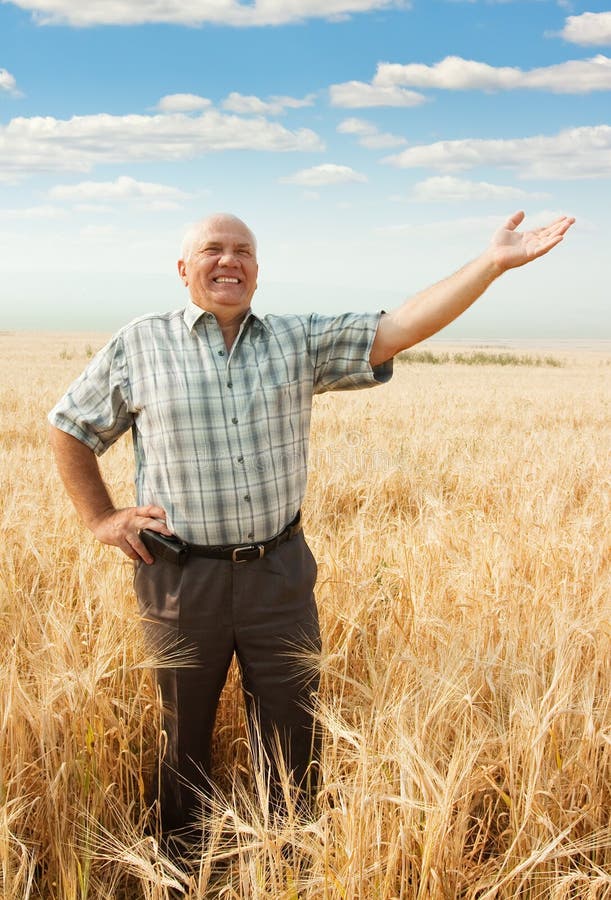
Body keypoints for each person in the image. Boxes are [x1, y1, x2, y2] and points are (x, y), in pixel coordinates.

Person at [48, 209, 574, 843]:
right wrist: (101, 517)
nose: (228, 261)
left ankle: (284, 858)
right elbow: (70, 425)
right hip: (180, 579)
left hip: (279, 575)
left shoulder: (295, 340)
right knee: (180, 735)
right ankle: (180, 864)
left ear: (257, 272)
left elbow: (399, 327)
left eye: (242, 251)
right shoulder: (140, 344)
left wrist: (491, 263)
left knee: (294, 735)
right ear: (184, 269)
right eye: (212, 250)